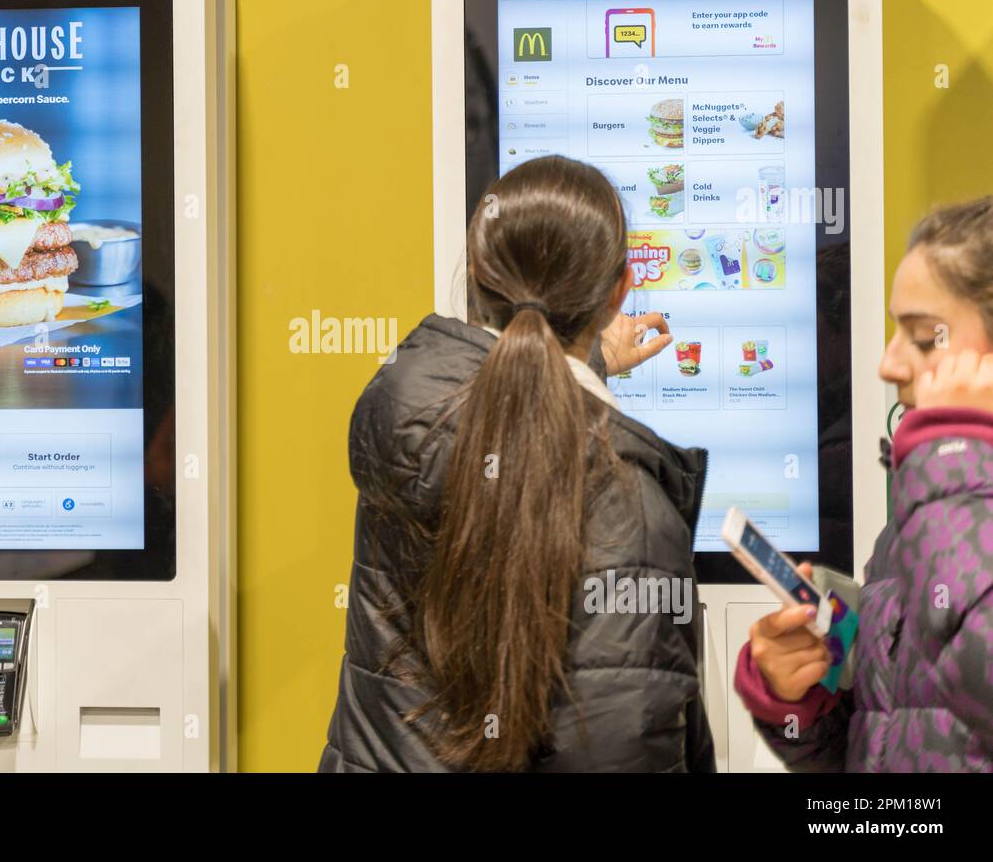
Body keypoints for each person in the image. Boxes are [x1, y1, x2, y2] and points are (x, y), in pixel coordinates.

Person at [318, 155, 715, 772]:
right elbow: (617, 748)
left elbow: (520, 388)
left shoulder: (409, 418)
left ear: (477, 274)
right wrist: (584, 364)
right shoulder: (626, 507)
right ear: (619, 290)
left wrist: (590, 362)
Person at [737, 196, 993, 771]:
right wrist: (797, 694)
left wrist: (957, 459)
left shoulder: (945, 499)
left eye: (925, 337)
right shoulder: (916, 523)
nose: (888, 363)